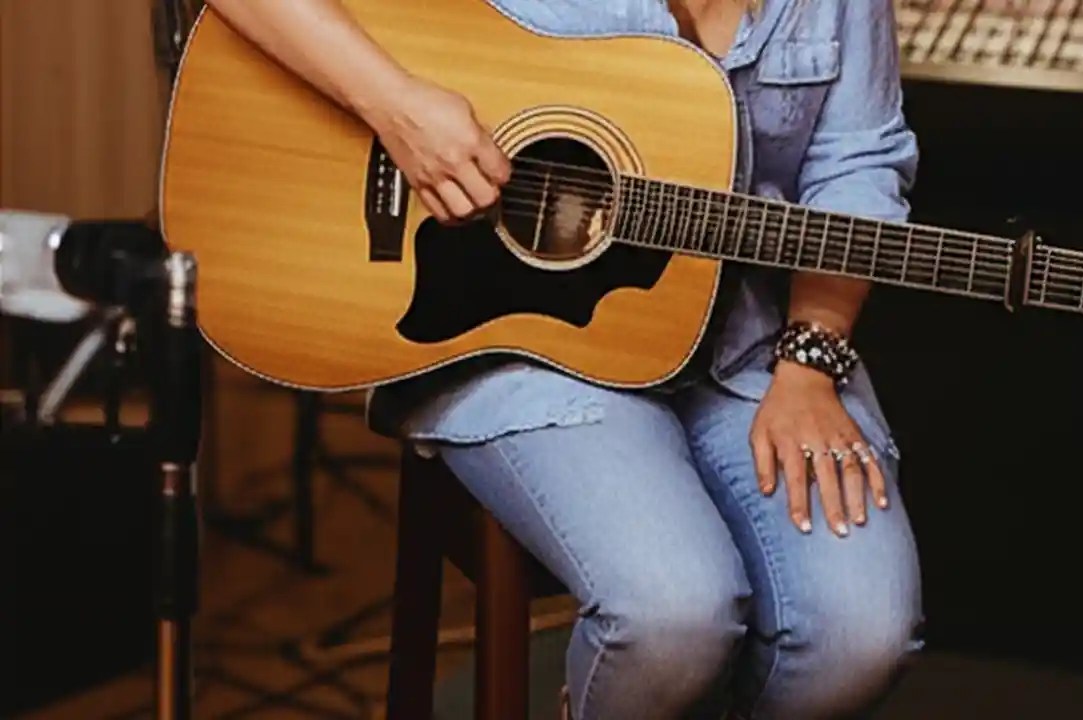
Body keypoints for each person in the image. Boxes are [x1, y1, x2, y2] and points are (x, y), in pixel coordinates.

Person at [202, 0, 923, 717]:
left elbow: (856, 160)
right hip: (521, 340)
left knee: (855, 639)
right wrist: (397, 107)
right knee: (672, 617)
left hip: (756, 344)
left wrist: (810, 358)